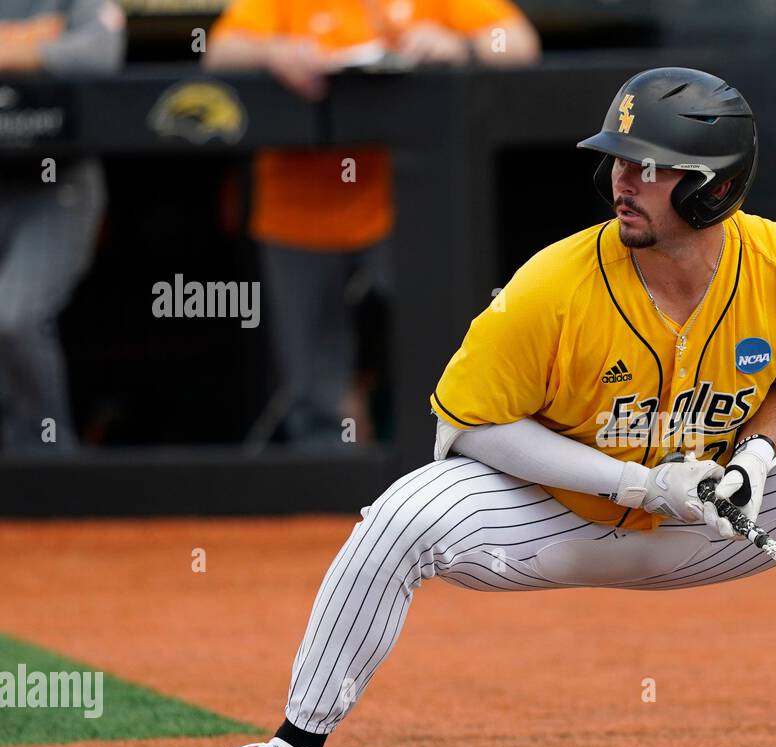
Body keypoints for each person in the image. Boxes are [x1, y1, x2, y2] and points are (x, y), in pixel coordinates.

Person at [189, 67, 776, 747]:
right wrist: (634, 484)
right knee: (403, 512)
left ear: (715, 186)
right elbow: (463, 425)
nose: (622, 182)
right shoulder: (551, 285)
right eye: (620, 162)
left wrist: (754, 462)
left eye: (652, 168)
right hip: (553, 522)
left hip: (710, 523)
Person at [204, 0, 539, 446]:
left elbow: (520, 43)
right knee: (313, 389)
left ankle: (437, 476)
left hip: (403, 205)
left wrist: (462, 46)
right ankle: (326, 495)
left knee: (442, 354)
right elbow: (218, 52)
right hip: (299, 208)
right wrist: (273, 52)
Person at [0, 0, 124, 452]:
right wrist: (37, 41)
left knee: (14, 317)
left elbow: (100, 54)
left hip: (57, 182)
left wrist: (12, 54)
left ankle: (45, 458)